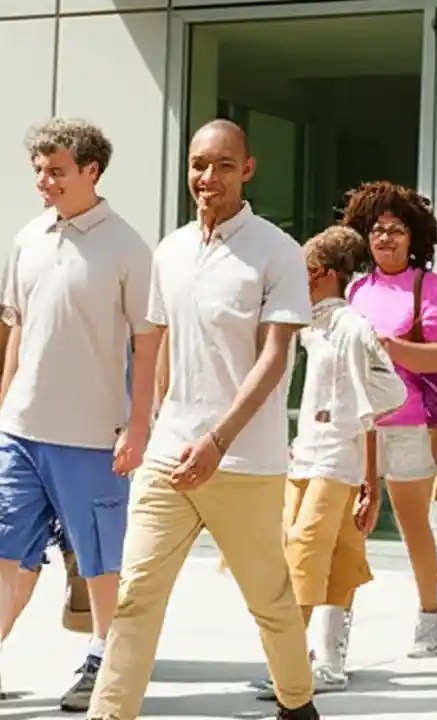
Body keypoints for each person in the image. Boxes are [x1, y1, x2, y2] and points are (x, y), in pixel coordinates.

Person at [87, 119, 319, 720]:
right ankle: (111, 712)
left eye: (221, 165)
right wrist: (144, 430)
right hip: (169, 457)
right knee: (136, 594)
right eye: (197, 164)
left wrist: (218, 441)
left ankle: (297, 706)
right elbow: (156, 349)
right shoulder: (170, 250)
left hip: (243, 459)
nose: (206, 177)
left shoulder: (277, 251)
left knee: (269, 599)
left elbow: (275, 358)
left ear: (248, 169)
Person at [0, 118, 159, 711]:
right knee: (4, 548)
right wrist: (2, 409)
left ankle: (103, 663)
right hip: (19, 431)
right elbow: (15, 333)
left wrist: (138, 426)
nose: (44, 181)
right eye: (39, 171)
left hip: (92, 436)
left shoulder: (127, 247)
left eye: (57, 171)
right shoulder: (27, 238)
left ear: (92, 170)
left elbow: (148, 344)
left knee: (100, 560)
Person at [251, 226, 407, 697]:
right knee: (336, 554)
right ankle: (331, 662)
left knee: (303, 550)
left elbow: (377, 402)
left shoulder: (351, 328)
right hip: (306, 454)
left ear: (322, 274)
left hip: (337, 457)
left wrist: (370, 480)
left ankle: (290, 664)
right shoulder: (309, 327)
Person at [343, 181, 437, 657]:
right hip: (358, 427)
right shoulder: (354, 289)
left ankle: (430, 612)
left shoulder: (432, 290)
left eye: (395, 230)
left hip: (409, 424)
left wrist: (390, 348)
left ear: (415, 238)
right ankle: (336, 625)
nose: (385, 239)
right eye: (376, 230)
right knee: (348, 530)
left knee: (412, 524)